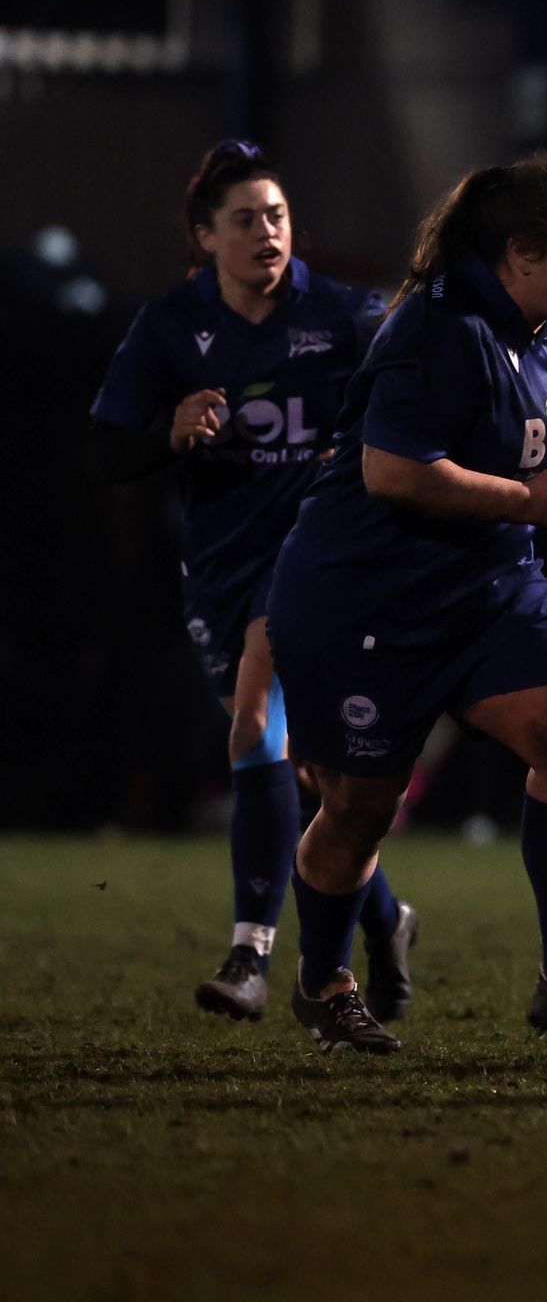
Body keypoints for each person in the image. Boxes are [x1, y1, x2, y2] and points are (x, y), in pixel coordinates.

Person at [265, 153, 547, 1054]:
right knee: (358, 809)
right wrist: (534, 503)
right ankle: (323, 982)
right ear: (518, 253)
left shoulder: (541, 327)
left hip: (491, 586)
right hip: (369, 599)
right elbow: (391, 472)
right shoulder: (440, 330)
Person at [86, 140, 416, 1024]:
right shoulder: (168, 328)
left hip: (321, 564)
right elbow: (104, 450)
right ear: (205, 239)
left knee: (252, 726)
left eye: (276, 215)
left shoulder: (345, 315)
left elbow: (422, 392)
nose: (267, 232)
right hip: (220, 576)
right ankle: (388, 918)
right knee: (318, 788)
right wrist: (169, 432)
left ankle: (251, 955)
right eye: (244, 220)